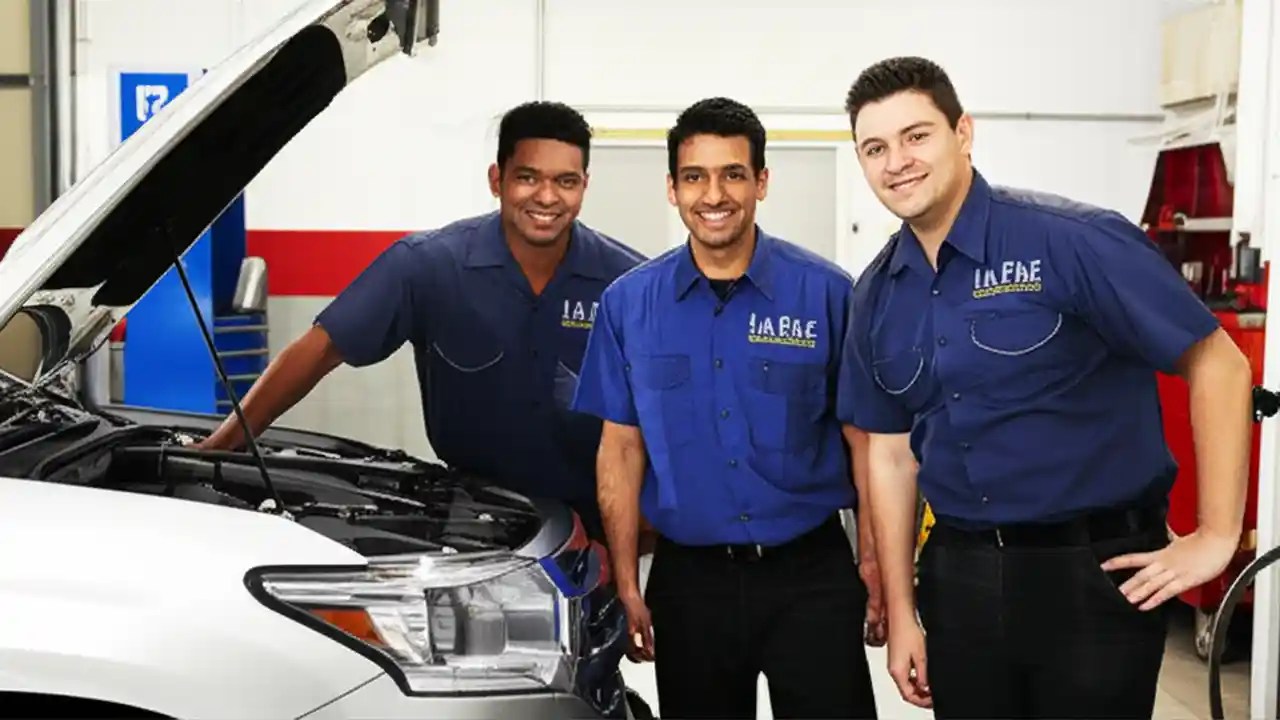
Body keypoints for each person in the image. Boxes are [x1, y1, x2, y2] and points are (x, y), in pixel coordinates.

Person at [837, 56, 1253, 719]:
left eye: (917, 136)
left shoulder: (1073, 242)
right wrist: (905, 612)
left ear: (962, 132)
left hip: (1095, 574)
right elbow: (890, 454)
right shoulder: (875, 295)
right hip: (961, 577)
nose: (897, 162)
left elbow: (1220, 365)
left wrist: (1216, 535)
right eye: (875, 148)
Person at [196, 100, 647, 541]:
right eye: (528, 178)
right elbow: (319, 349)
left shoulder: (627, 283)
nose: (547, 197)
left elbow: (672, 409)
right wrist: (225, 442)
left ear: (584, 186)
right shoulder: (430, 266)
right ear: (497, 180)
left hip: (597, 524)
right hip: (474, 520)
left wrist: (647, 525)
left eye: (565, 181)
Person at [571, 96, 881, 720]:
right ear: (672, 188)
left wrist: (874, 564)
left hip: (811, 574)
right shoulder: (629, 305)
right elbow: (620, 449)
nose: (714, 194)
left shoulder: (827, 294)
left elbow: (867, 443)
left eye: (733, 173)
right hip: (691, 583)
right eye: (695, 176)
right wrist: (627, 581)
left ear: (761, 182)